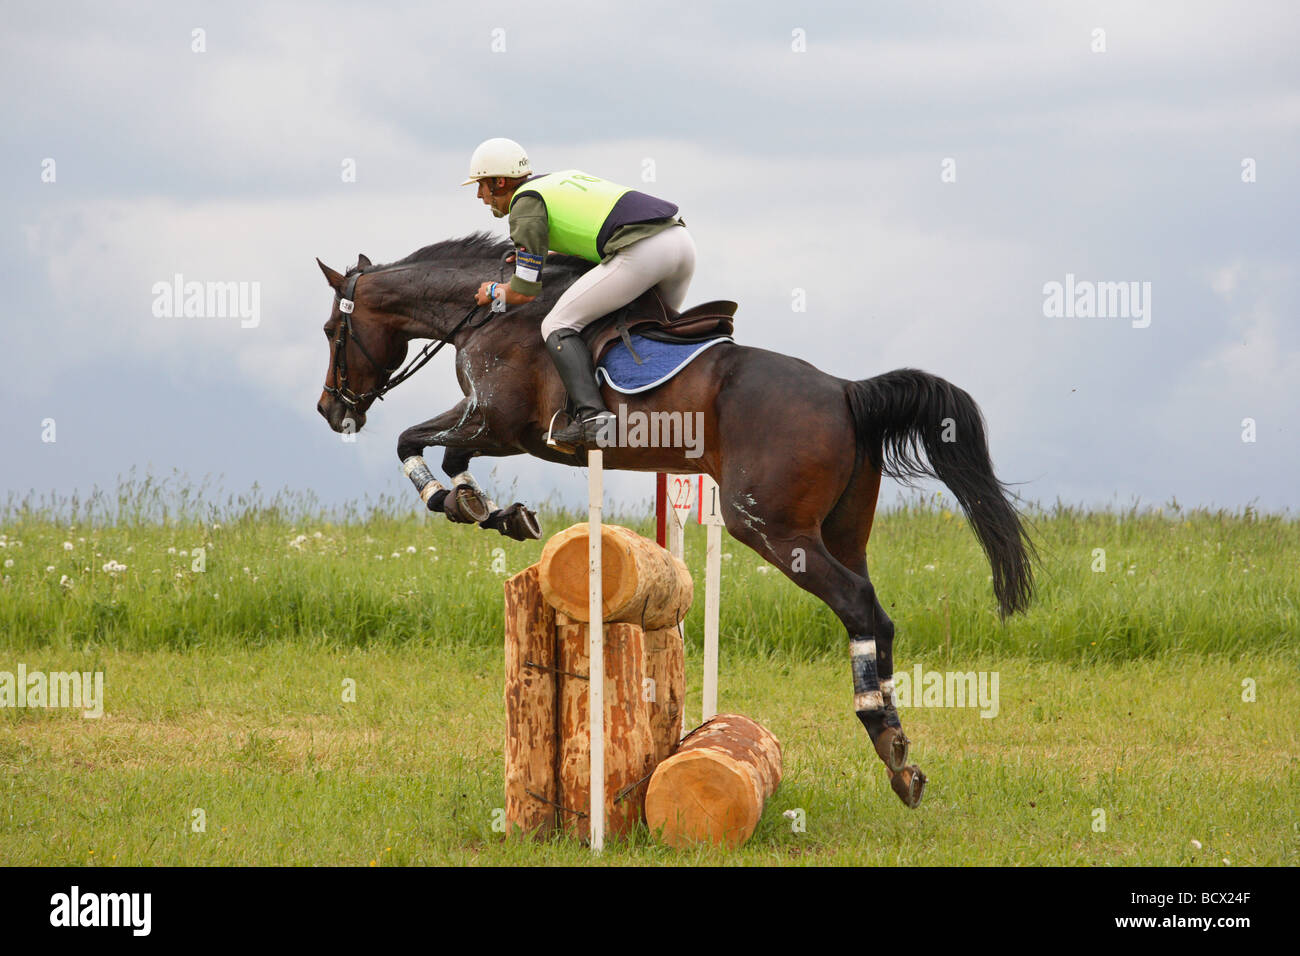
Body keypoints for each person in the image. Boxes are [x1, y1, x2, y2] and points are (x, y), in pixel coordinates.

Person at [462, 137, 696, 448]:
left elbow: (524, 291)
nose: (480, 195)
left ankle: (594, 419)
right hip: (680, 245)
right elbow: (588, 230)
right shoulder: (552, 181)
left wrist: (493, 292)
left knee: (557, 325)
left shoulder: (524, 204)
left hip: (643, 252)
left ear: (500, 181)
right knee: (646, 328)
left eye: (482, 185)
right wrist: (546, 254)